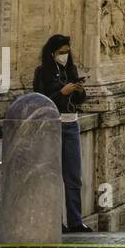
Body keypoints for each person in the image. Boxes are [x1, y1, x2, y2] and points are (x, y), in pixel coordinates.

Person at [32, 34, 90, 233]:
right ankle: (56, 221)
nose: (65, 55)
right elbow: (40, 100)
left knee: (74, 176)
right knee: (54, 175)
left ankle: (75, 221)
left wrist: (79, 91)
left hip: (71, 124)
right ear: (52, 53)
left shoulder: (71, 70)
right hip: (52, 126)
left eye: (67, 52)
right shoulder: (42, 72)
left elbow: (80, 101)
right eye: (61, 52)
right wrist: (61, 93)